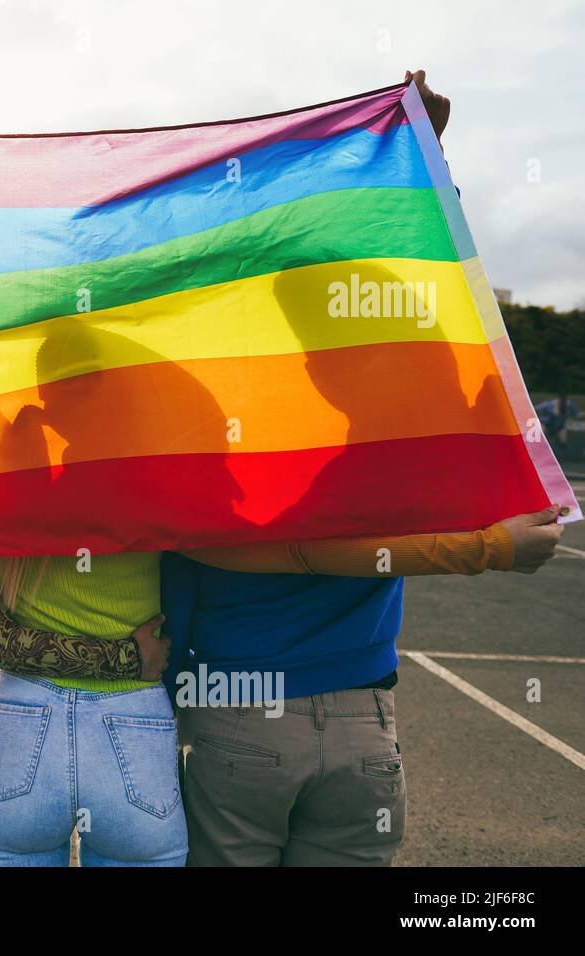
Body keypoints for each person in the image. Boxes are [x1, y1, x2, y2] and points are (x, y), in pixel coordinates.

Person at [162, 69, 567, 867]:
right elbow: (441, 305)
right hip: (361, 723)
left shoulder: (221, 445)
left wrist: (422, 162)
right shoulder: (395, 448)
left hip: (237, 713)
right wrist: (420, 170)